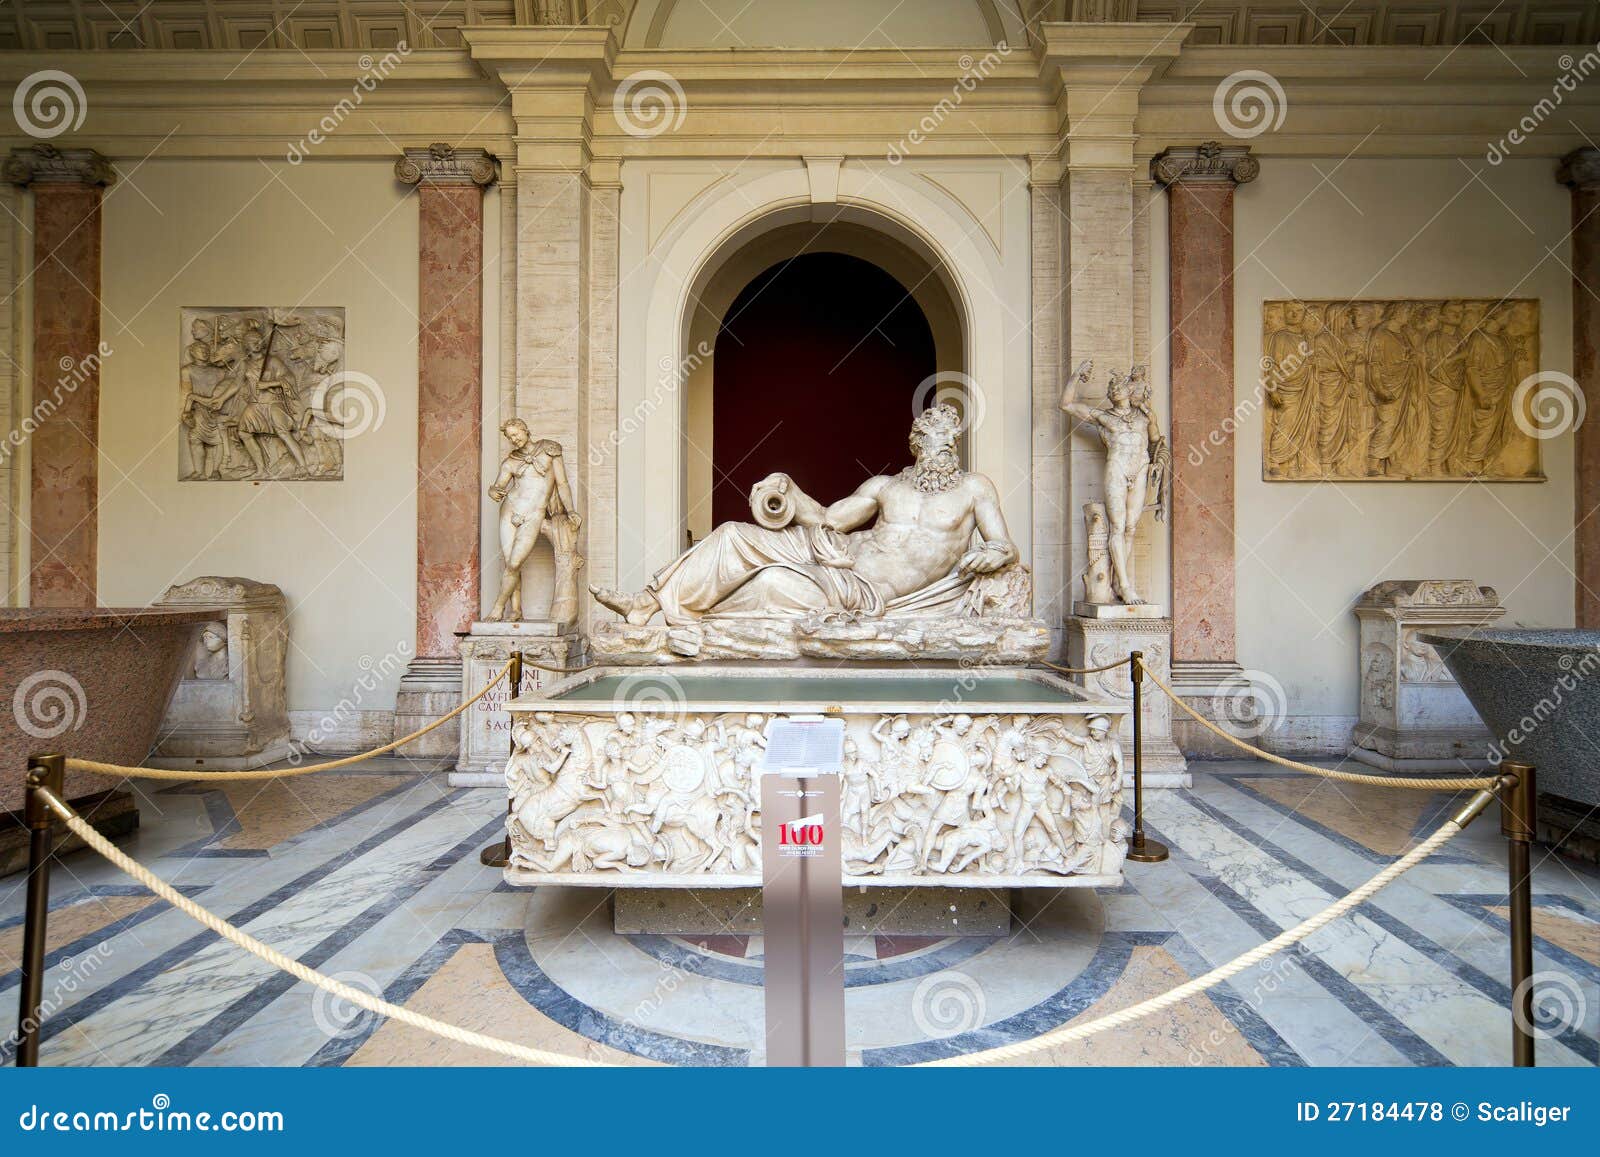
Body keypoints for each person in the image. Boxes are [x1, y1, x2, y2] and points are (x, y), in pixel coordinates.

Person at [591, 404, 1018, 625]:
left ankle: (681, 615)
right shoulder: (886, 486)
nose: (943, 446)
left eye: (950, 439)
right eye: (933, 437)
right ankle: (647, 603)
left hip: (865, 589)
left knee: (772, 582)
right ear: (916, 443)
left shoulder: (973, 488)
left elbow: (1005, 545)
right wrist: (787, 487)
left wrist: (996, 554)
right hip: (837, 553)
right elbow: (828, 520)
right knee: (731, 535)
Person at [1059, 362, 1168, 604]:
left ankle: (1119, 581)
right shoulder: (1104, 417)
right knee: (1117, 527)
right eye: (1111, 386)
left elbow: (1156, 442)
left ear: (1130, 391)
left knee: (1130, 528)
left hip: (1139, 469)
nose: (1115, 389)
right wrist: (1076, 376)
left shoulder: (1144, 416)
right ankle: (1126, 586)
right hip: (1117, 469)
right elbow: (1066, 404)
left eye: (1119, 385)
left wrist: (1160, 461)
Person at [486, 419, 582, 623]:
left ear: (526, 430)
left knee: (514, 563)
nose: (514, 439)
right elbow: (498, 486)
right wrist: (493, 491)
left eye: (516, 434)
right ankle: (516, 609)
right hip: (510, 510)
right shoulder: (510, 462)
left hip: (534, 514)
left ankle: (498, 607)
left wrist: (571, 510)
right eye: (510, 437)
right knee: (509, 561)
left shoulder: (549, 450)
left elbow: (562, 483)